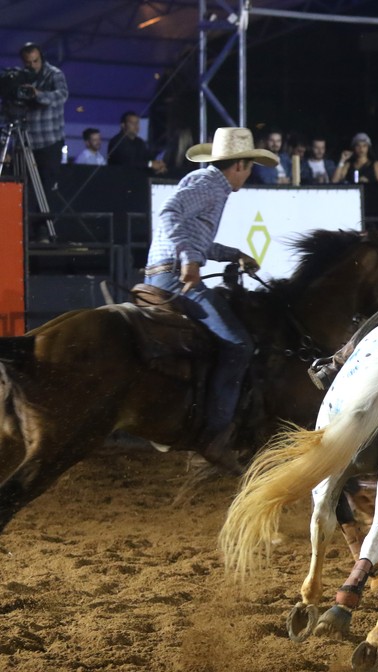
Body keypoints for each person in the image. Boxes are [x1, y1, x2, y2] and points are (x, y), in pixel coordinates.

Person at [143, 127, 278, 470]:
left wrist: (233, 254)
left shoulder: (202, 182)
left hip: (163, 271)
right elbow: (169, 215)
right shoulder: (208, 186)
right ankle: (215, 435)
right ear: (240, 165)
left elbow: (193, 234)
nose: (248, 176)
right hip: (175, 276)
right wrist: (189, 260)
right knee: (239, 344)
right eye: (249, 169)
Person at [16, 43, 68, 210]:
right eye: (28, 62)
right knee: (25, 185)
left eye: (35, 61)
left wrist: (38, 94)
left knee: (47, 187)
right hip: (26, 142)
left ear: (41, 59)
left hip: (49, 141)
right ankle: (25, 229)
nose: (32, 65)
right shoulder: (21, 76)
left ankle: (43, 231)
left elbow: (61, 96)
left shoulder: (54, 74)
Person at [108, 111, 167, 175]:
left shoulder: (140, 142)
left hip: (138, 179)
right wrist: (150, 164)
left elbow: (147, 159)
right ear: (123, 125)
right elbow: (129, 163)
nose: (136, 126)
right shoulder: (116, 141)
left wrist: (158, 165)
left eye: (137, 123)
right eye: (132, 123)